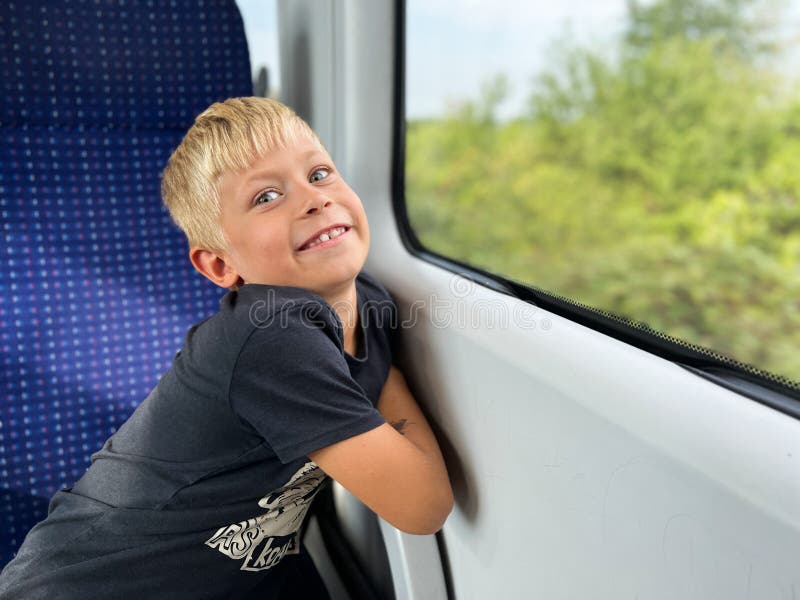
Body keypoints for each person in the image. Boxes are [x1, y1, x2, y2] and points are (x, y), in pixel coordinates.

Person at [0, 97, 454, 599]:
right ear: (220, 267)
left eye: (320, 172)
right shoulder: (271, 338)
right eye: (266, 197)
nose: (314, 198)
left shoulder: (369, 302)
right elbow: (422, 505)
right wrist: (387, 375)